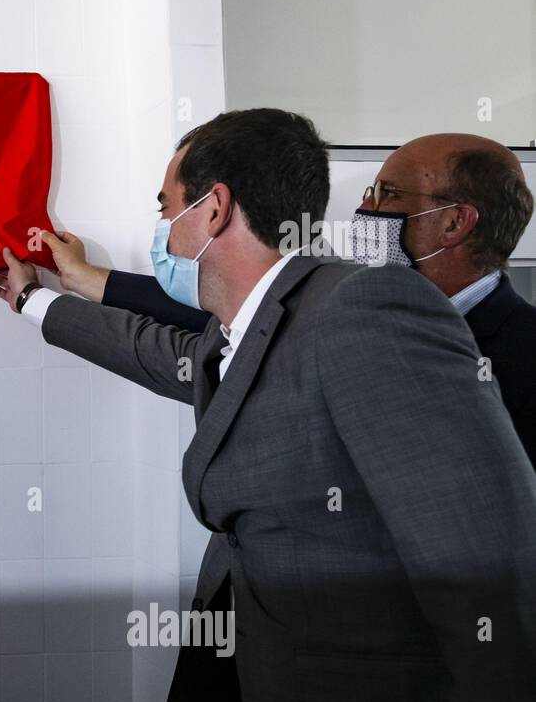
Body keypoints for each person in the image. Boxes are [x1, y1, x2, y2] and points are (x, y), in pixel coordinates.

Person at [0, 109, 536, 702]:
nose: (159, 228)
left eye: (165, 208)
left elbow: (490, 572)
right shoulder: (261, 325)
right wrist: (36, 300)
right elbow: (165, 353)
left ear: (213, 209)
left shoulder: (365, 310)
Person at [54, 134, 536, 462]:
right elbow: (232, 308)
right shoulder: (343, 301)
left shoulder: (522, 358)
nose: (365, 208)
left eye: (387, 194)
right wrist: (87, 279)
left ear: (454, 223)